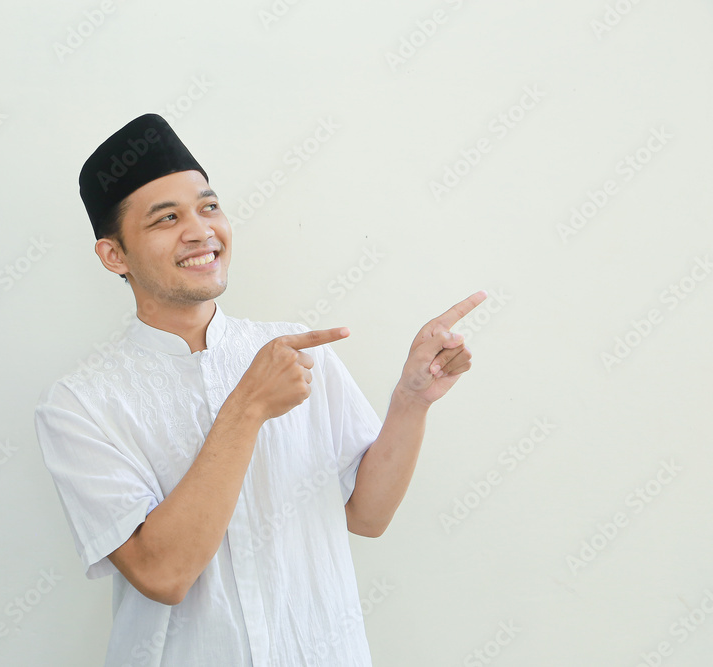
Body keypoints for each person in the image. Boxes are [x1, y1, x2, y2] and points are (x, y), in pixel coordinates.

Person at [34, 113, 486, 666]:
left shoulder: (297, 351)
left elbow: (367, 515)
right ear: (114, 256)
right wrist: (248, 406)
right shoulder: (81, 404)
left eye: (208, 206)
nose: (200, 230)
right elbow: (162, 573)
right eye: (166, 219)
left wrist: (411, 400)